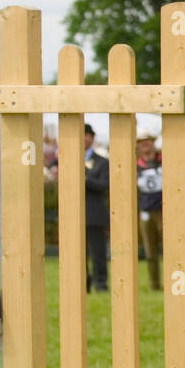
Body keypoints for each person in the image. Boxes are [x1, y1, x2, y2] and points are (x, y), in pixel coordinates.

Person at [83, 124, 110, 293]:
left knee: (98, 253)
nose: (84, 138)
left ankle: (100, 284)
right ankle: (81, 284)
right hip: (74, 215)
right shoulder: (67, 160)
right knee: (77, 255)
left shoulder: (102, 161)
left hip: (95, 214)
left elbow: (104, 185)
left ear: (92, 138)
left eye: (87, 135)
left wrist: (85, 180)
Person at [136, 130, 163, 291]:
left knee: (171, 249)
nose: (145, 144)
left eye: (148, 140)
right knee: (150, 252)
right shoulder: (136, 165)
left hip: (163, 210)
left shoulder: (162, 160)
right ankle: (155, 285)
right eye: (142, 141)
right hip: (145, 211)